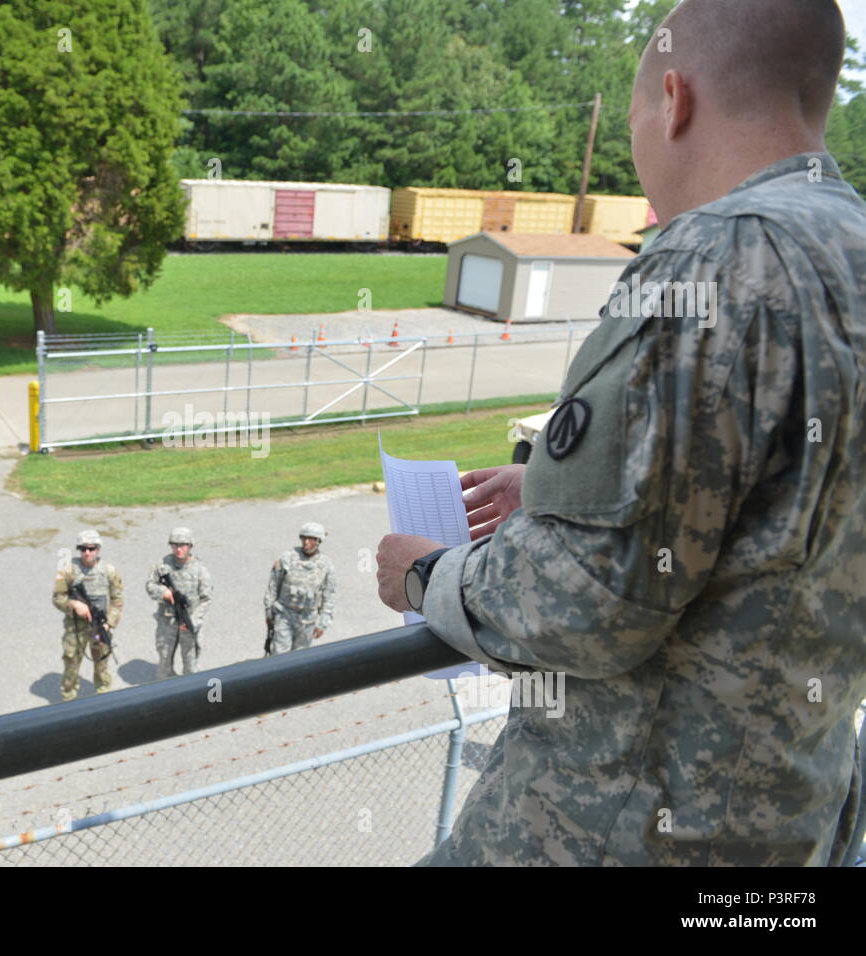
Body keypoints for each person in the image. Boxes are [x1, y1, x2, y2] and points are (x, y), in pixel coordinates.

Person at [376, 0, 866, 866]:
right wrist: (570, 494)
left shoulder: (706, 261)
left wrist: (426, 574)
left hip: (623, 827)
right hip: (795, 823)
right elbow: (791, 500)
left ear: (673, 101)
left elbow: (582, 609)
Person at [53, 529, 123, 701]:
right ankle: (68, 702)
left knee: (102, 666)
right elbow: (57, 597)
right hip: (76, 628)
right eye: (83, 549)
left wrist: (109, 624)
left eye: (91, 548)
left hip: (100, 626)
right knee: (71, 665)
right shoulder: (68, 570)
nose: (87, 553)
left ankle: (103, 700)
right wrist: (74, 604)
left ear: (98, 549)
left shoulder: (108, 570)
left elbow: (117, 600)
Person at [145, 527, 213, 678]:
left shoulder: (200, 570)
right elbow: (150, 586)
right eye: (174, 545)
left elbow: (206, 599)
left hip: (188, 623)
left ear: (190, 546)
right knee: (164, 661)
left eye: (182, 545)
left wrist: (193, 621)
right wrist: (164, 592)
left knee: (191, 665)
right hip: (167, 622)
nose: (178, 549)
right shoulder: (162, 566)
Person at [264, 522, 336, 655]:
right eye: (304, 538)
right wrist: (269, 610)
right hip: (284, 616)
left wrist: (323, 623)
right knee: (279, 655)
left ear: (318, 541)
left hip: (308, 620)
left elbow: (329, 596)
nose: (306, 542)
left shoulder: (326, 565)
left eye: (311, 539)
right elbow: (273, 586)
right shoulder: (288, 558)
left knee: (301, 657)